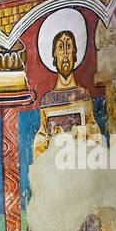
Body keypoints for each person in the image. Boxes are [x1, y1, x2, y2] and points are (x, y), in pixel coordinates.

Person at [33, 28, 101, 156]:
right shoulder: (47, 100)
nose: (65, 53)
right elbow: (41, 137)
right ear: (54, 54)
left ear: (74, 53)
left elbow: (93, 130)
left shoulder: (83, 95)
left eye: (68, 47)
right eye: (60, 47)